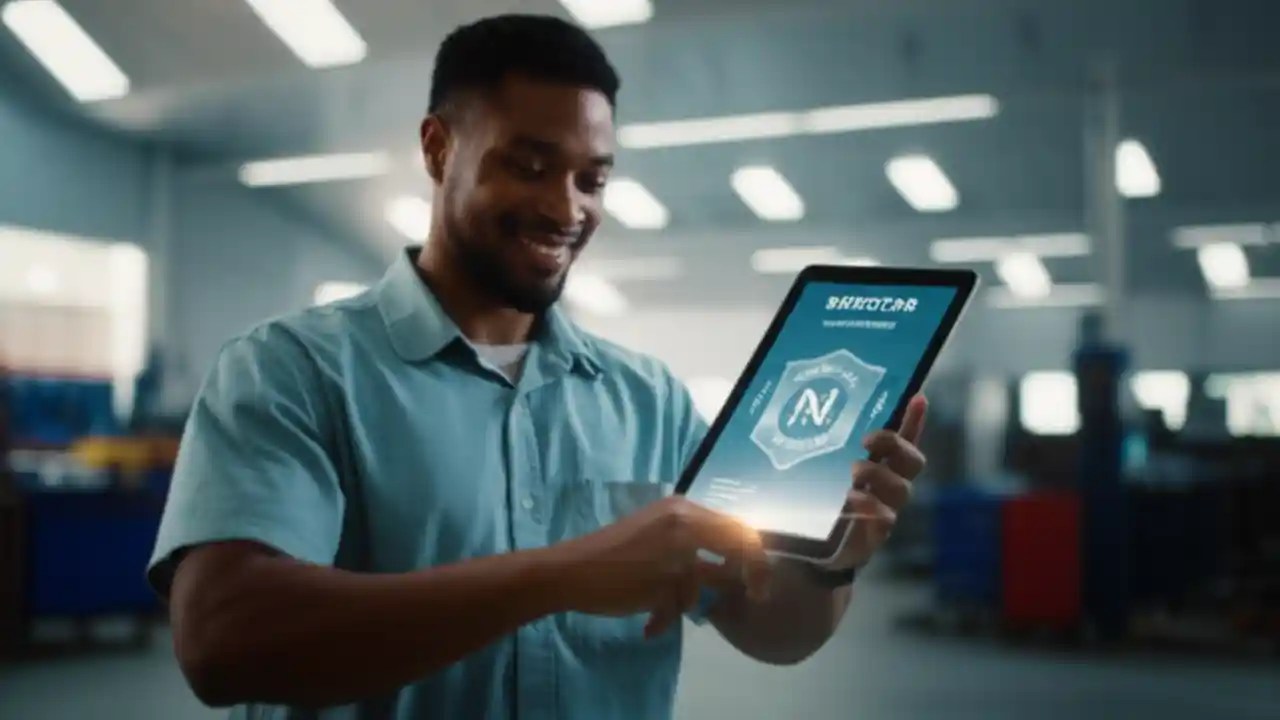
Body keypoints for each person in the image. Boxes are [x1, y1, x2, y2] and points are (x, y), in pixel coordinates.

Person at [148, 14, 928, 720]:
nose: (567, 208)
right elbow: (223, 639)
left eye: (593, 179)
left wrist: (831, 562)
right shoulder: (291, 372)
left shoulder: (648, 400)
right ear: (437, 147)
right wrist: (564, 574)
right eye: (528, 165)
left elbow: (772, 629)